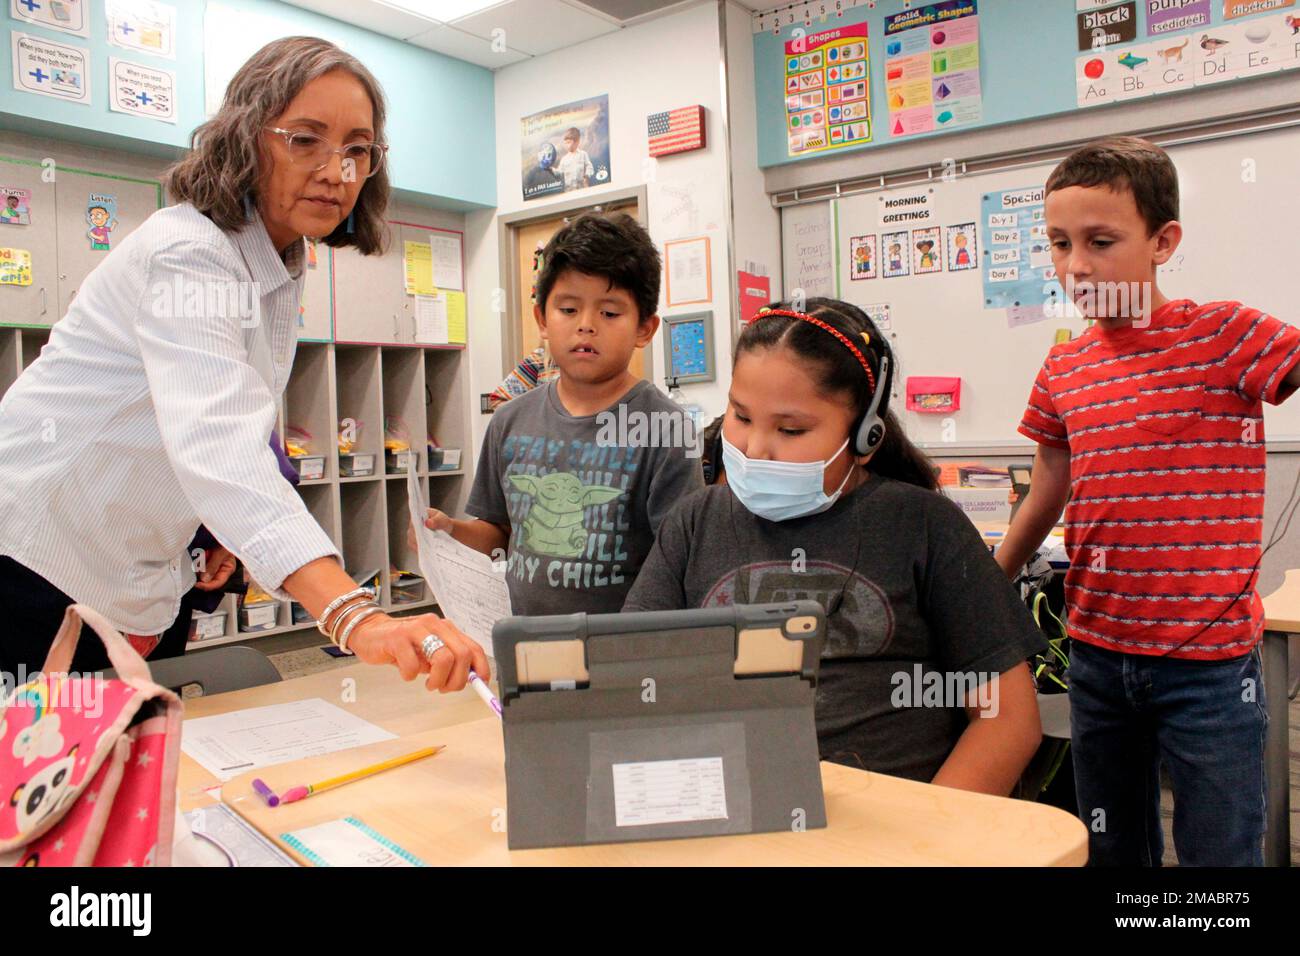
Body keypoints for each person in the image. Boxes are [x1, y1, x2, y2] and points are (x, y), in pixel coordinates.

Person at [0, 36, 486, 692]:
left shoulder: (282, 259)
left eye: (356, 149)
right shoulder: (188, 252)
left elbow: (233, 416)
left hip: (139, 565)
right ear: (245, 138)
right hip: (37, 558)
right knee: (41, 775)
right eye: (305, 139)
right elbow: (216, 445)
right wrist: (355, 616)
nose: (335, 170)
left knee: (140, 762)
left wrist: (220, 525)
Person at [996, 136, 1300, 865]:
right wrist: (988, 582)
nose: (1076, 266)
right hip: (1098, 654)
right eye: (1060, 243)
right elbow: (1048, 482)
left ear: (1164, 241)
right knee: (1111, 846)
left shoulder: (1224, 334)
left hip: (1209, 666)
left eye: (1101, 241)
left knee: (1219, 853)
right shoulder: (1065, 363)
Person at [624, 299, 1045, 792]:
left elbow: (1007, 720)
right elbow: (634, 680)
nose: (754, 448)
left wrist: (928, 839)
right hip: (734, 811)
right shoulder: (695, 523)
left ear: (865, 433)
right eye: (740, 416)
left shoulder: (924, 526)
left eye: (791, 429)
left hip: (894, 830)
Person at [420, 212, 703, 615]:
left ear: (645, 328)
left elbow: (677, 561)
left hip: (623, 657)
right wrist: (450, 533)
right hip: (525, 652)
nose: (586, 326)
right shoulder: (509, 421)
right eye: (568, 309)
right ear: (542, 319)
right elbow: (499, 533)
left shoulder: (666, 430)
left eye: (609, 313)